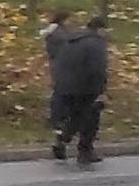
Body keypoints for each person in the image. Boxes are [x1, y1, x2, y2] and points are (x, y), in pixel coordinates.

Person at [47, 11, 111, 166]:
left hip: (66, 85)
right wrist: (101, 90)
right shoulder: (96, 43)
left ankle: (62, 139)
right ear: (101, 29)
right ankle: (85, 151)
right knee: (91, 118)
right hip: (86, 87)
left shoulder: (72, 40)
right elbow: (97, 68)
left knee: (76, 117)